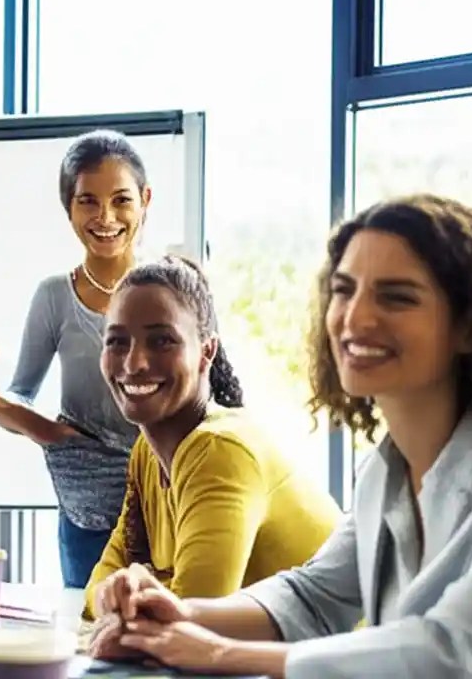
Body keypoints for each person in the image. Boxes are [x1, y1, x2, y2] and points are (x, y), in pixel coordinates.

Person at [90, 195, 472, 678]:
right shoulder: (384, 471)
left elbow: (452, 652)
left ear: (471, 326)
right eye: (345, 291)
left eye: (396, 297)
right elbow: (312, 596)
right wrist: (180, 615)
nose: (355, 318)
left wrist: (218, 652)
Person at [84, 255, 340, 619]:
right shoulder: (147, 451)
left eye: (161, 341)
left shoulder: (220, 450)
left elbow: (187, 619)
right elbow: (101, 583)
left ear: (207, 351)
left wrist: (126, 599)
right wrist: (113, 598)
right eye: (117, 342)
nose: (134, 362)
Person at [0, 130, 145, 587]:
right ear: (68, 206)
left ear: (145, 200)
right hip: (86, 515)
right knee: (90, 635)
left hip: (168, 508)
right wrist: (27, 420)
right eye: (88, 201)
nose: (105, 216)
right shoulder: (54, 296)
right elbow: (20, 393)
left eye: (121, 200)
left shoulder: (171, 289)